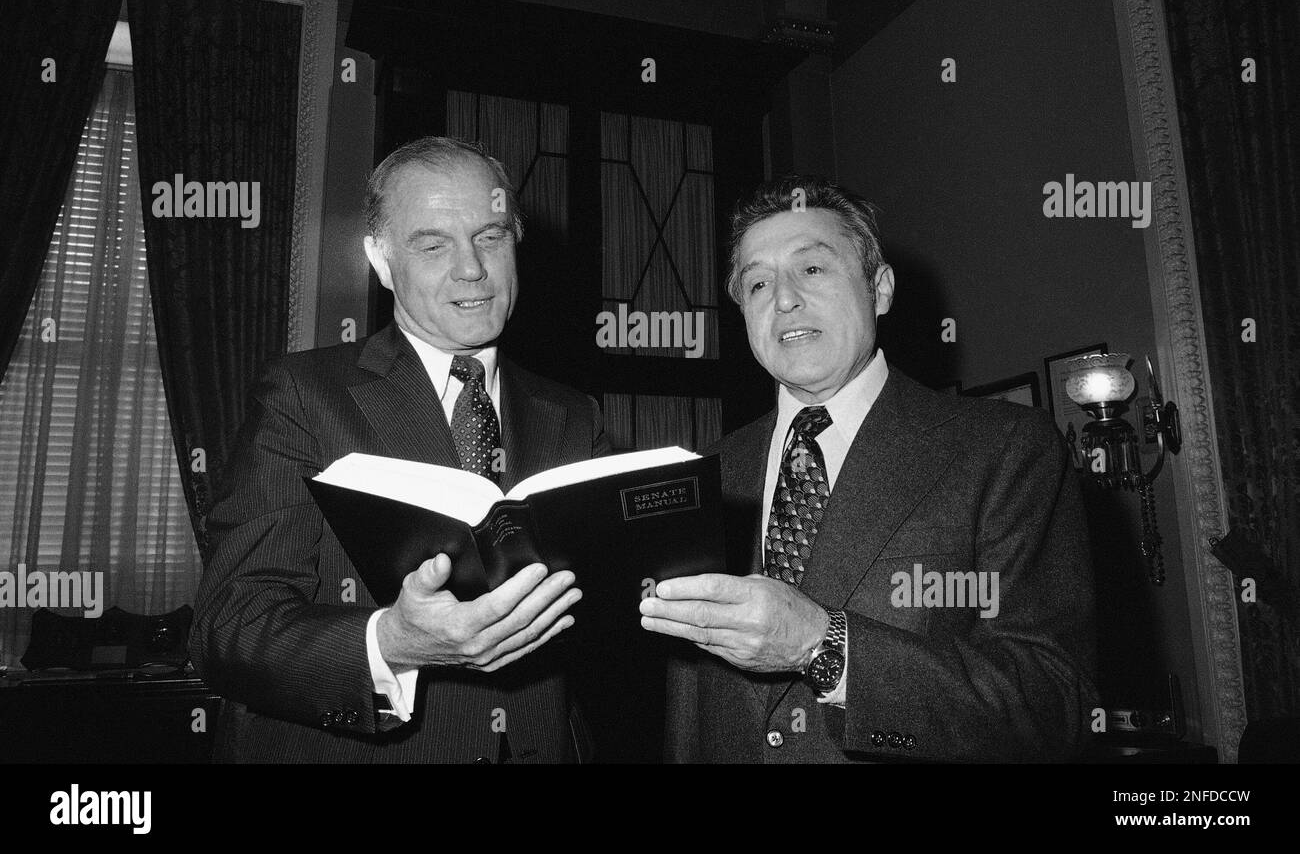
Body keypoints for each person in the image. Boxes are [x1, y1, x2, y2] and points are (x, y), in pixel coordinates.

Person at [642, 175, 1098, 762]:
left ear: (879, 288)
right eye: (758, 282)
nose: (783, 299)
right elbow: (687, 713)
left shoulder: (1004, 448)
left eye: (812, 269)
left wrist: (821, 645)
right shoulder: (702, 475)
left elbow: (1054, 705)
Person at [190, 137, 607, 763]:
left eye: (490, 237)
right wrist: (392, 642)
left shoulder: (574, 415)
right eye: (432, 244)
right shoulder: (302, 397)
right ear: (381, 263)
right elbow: (231, 628)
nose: (471, 268)